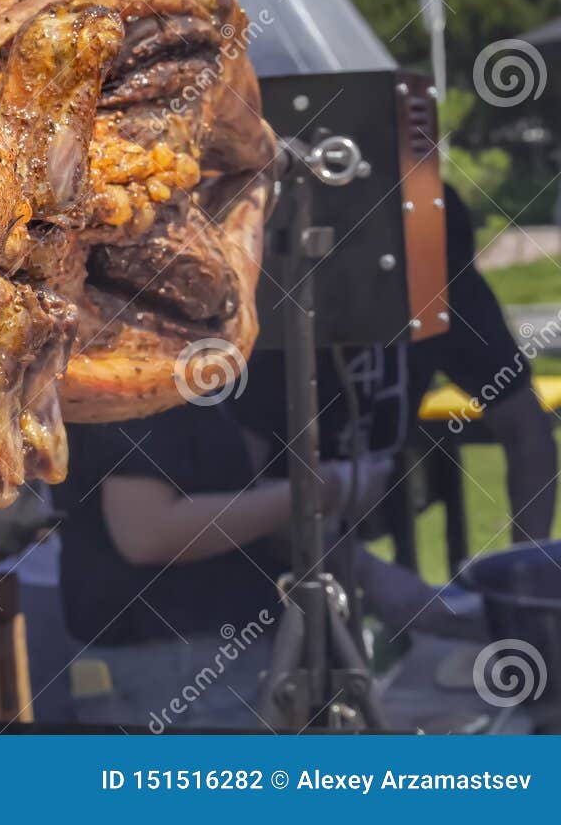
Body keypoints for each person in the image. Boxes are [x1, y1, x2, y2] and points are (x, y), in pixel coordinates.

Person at [231, 182, 556, 547]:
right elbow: (230, 503)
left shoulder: (438, 278)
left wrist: (529, 566)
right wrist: (379, 581)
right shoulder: (269, 314)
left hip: (344, 536)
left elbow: (525, 426)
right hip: (249, 562)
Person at [50, 402, 392, 730]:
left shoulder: (188, 383)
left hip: (185, 660)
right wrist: (316, 491)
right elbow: (146, 533)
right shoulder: (147, 386)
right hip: (177, 668)